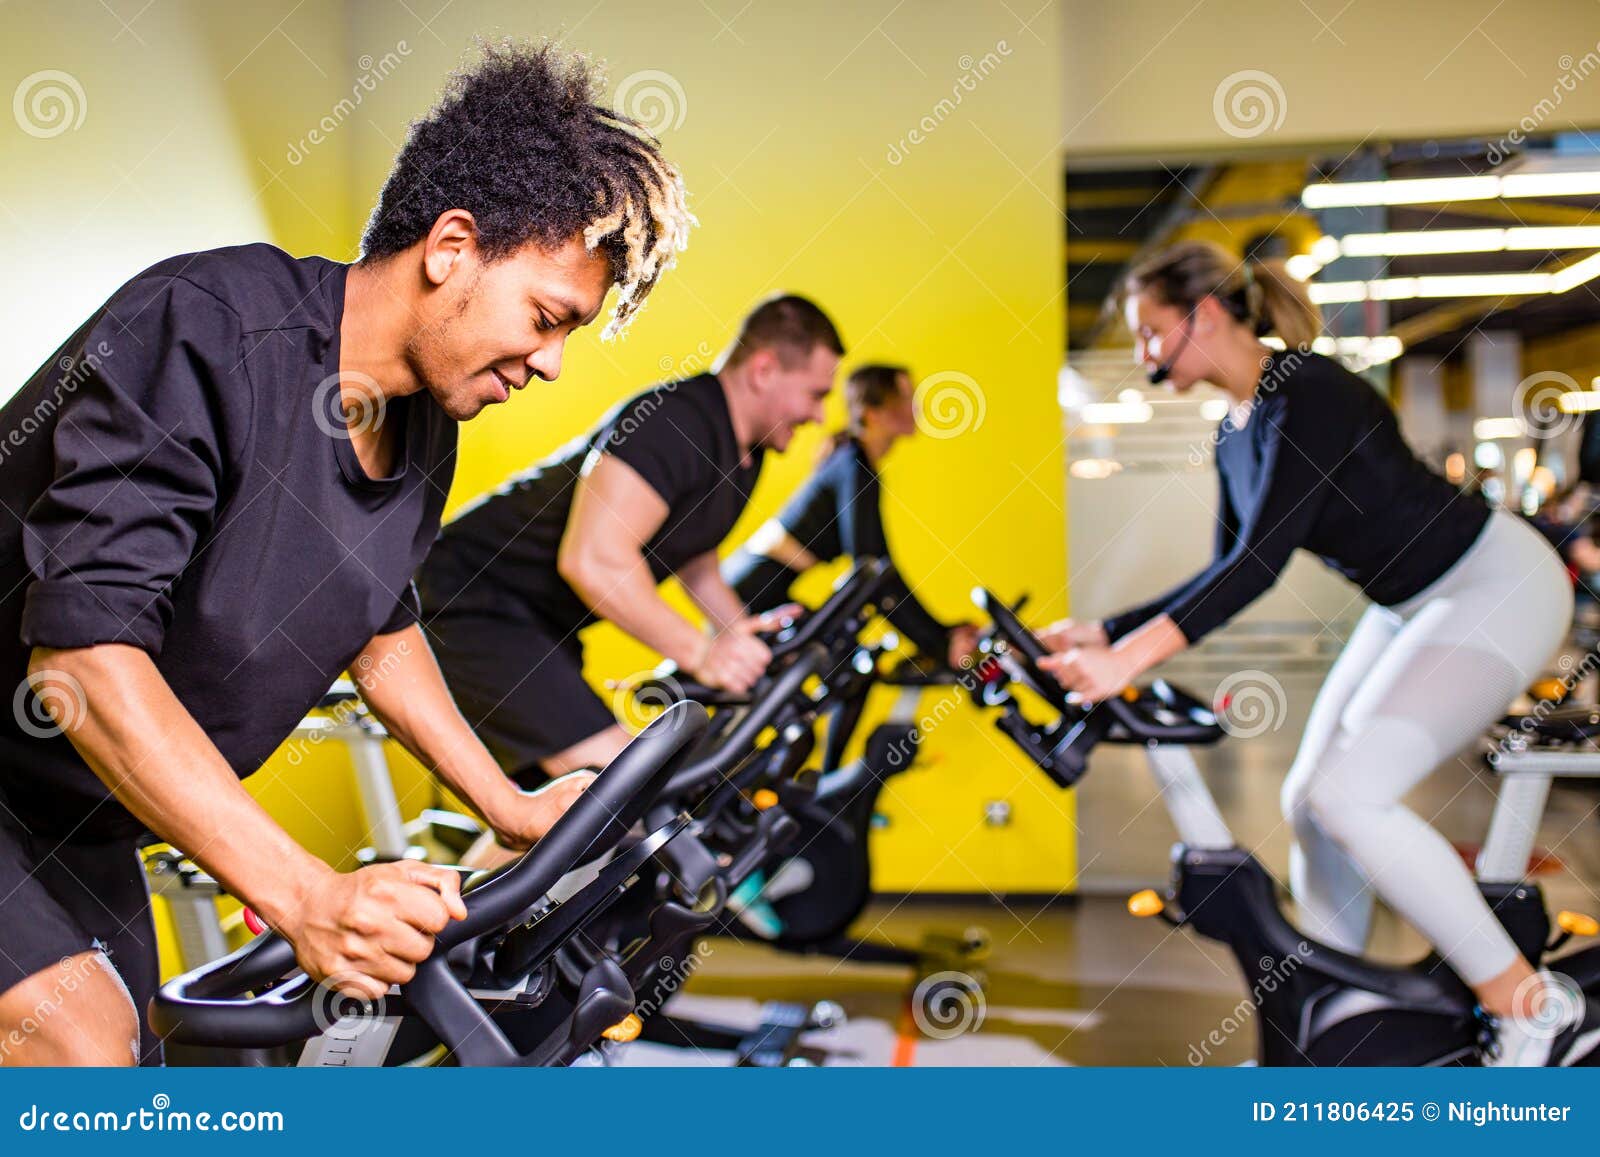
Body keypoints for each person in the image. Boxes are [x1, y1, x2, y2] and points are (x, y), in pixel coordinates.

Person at [0, 40, 693, 1066]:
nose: (551, 362)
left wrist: (507, 805)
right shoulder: (211, 329)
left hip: (75, 817)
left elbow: (376, 622)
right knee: (76, 1044)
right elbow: (84, 660)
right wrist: (305, 894)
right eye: (547, 318)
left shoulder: (424, 427)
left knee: (141, 1075)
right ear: (451, 246)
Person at [1038, 239, 1595, 1066]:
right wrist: (1107, 634)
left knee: (1350, 795)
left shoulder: (1307, 390)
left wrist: (1129, 660)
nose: (1145, 350)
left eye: (1151, 329)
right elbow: (1225, 567)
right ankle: (1345, 1000)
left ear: (1204, 315)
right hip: (1408, 602)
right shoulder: (1234, 431)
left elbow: (1261, 563)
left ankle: (1526, 1005)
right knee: (1308, 799)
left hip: (1497, 582)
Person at [416, 295, 843, 855]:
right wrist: (703, 653)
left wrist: (739, 637)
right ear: (764, 369)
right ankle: (453, 915)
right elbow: (593, 560)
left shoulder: (745, 453)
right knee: (612, 793)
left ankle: (468, 912)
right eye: (816, 394)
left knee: (568, 811)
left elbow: (696, 560)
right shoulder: (676, 422)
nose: (819, 416)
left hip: (539, 628)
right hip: (467, 604)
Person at [723, 363, 979, 670]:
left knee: (841, 659)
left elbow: (877, 568)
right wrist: (939, 643)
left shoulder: (853, 462)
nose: (918, 406)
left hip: (755, 585)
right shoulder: (854, 465)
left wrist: (940, 633)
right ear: (873, 413)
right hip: (748, 593)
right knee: (837, 662)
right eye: (906, 397)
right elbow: (871, 569)